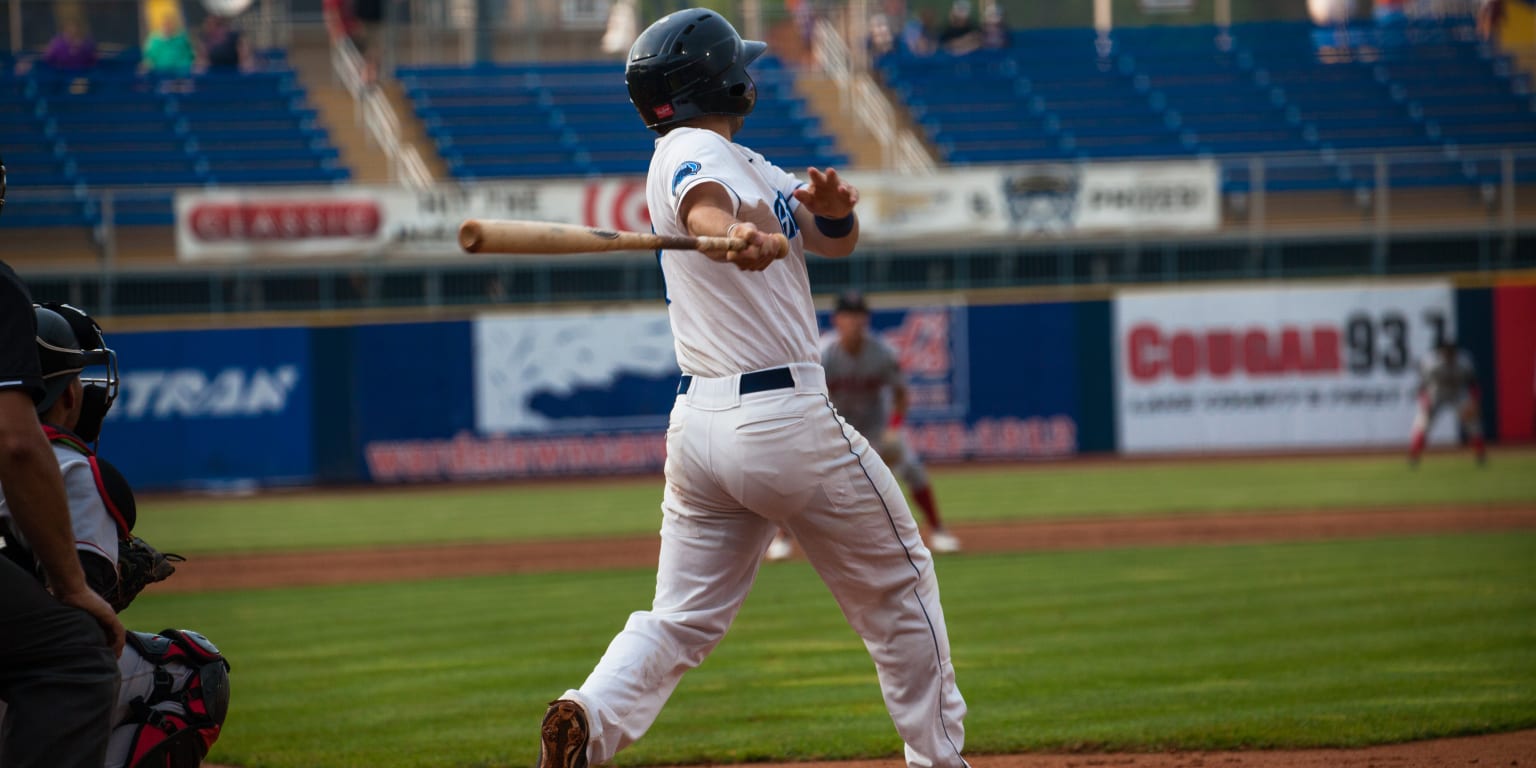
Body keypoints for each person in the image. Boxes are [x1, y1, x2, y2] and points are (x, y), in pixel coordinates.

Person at [534, 12, 969, 768]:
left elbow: (831, 238)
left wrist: (829, 213)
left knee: (679, 619)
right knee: (901, 588)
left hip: (702, 433)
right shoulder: (695, 152)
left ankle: (588, 715)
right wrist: (731, 233)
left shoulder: (742, 158)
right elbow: (707, 206)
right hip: (781, 418)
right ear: (721, 78)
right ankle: (939, 761)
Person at [0, 303, 230, 768]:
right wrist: (107, 584)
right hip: (24, 696)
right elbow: (74, 621)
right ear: (67, 396)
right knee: (193, 670)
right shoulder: (72, 468)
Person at [0, 157, 125, 768]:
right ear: (68, 394)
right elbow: (19, 445)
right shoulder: (72, 466)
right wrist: (75, 582)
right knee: (82, 657)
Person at [767, 290, 960, 560]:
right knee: (801, 474)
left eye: (860, 315)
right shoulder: (824, 354)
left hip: (875, 428)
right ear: (837, 320)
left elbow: (901, 394)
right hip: (834, 426)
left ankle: (939, 531)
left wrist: (894, 427)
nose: (855, 321)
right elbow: (805, 397)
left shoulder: (882, 352)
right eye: (849, 315)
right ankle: (783, 537)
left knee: (912, 467)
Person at [1408, 339, 1486, 467]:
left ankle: (1480, 455)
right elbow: (1422, 386)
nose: (1449, 355)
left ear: (1456, 352)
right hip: (1437, 393)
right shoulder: (1432, 362)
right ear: (1441, 352)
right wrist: (1425, 403)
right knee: (1422, 423)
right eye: (1446, 352)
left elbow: (1473, 383)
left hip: (1458, 393)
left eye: (1451, 352)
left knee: (1473, 424)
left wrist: (1475, 401)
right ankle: (1414, 457)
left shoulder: (1464, 362)